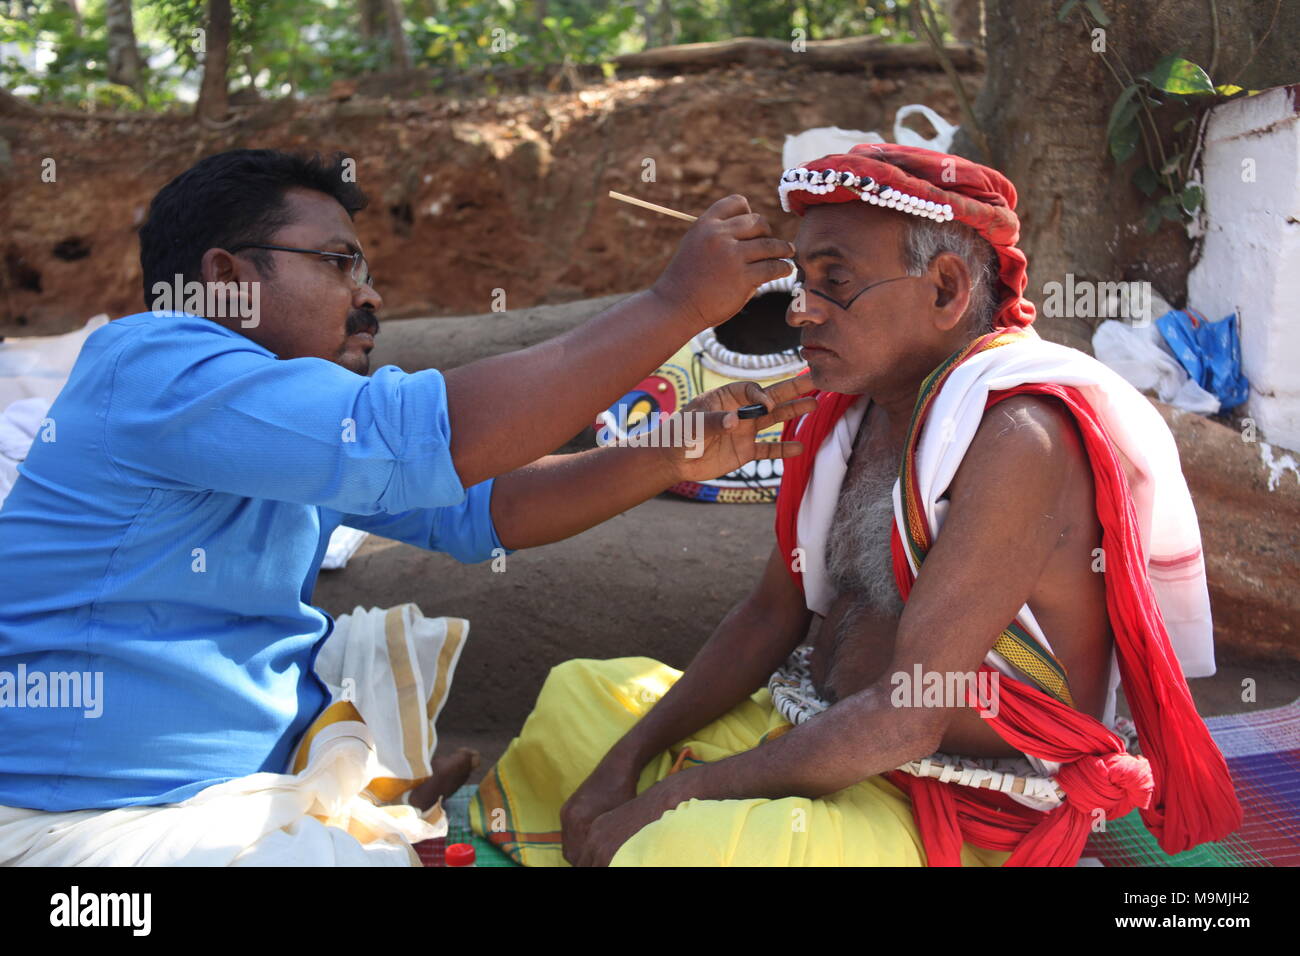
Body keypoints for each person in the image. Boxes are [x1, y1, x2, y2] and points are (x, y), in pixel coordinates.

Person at [0, 148, 814, 866]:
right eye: (338, 264)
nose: (371, 295)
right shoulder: (151, 362)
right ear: (225, 279)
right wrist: (674, 306)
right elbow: (415, 435)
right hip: (83, 820)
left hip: (218, 799)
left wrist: (673, 450)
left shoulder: (284, 417)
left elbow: (490, 508)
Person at [470, 144, 1243, 867]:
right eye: (801, 282)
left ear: (945, 289)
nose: (801, 311)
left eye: (833, 283)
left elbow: (909, 716)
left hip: (956, 795)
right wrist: (626, 764)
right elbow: (771, 616)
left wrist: (679, 794)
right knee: (583, 699)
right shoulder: (846, 409)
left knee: (692, 848)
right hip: (815, 729)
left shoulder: (1019, 438)